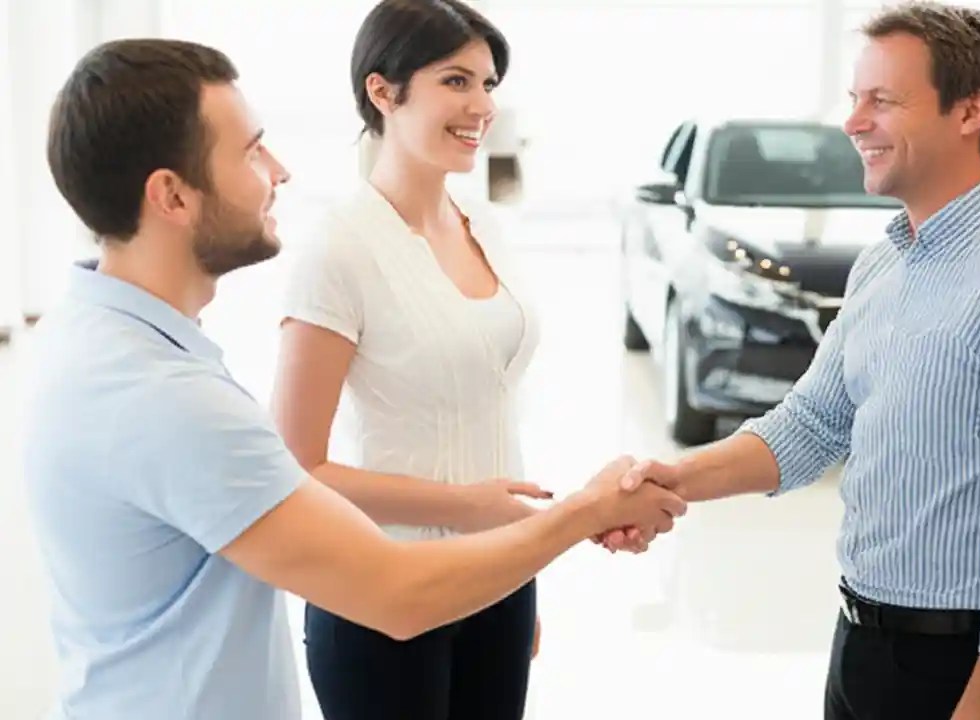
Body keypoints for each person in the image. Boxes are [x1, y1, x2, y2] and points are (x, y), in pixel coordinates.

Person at [22, 37, 685, 720]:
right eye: (251, 152)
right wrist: (586, 511)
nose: (278, 171)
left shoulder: (103, 337)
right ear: (171, 196)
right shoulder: (163, 398)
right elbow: (395, 594)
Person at [603, 3, 980, 718]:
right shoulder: (884, 262)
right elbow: (811, 424)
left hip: (963, 671)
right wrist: (674, 479)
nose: (853, 122)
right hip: (863, 648)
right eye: (853, 98)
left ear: (970, 111)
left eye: (882, 100)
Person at [270, 1, 547, 717]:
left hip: (498, 575)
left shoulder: (482, 223)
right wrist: (465, 508)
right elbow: (297, 464)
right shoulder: (339, 249)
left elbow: (490, 395)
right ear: (382, 91)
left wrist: (515, 562)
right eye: (456, 82)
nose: (482, 106)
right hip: (384, 583)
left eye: (488, 84)